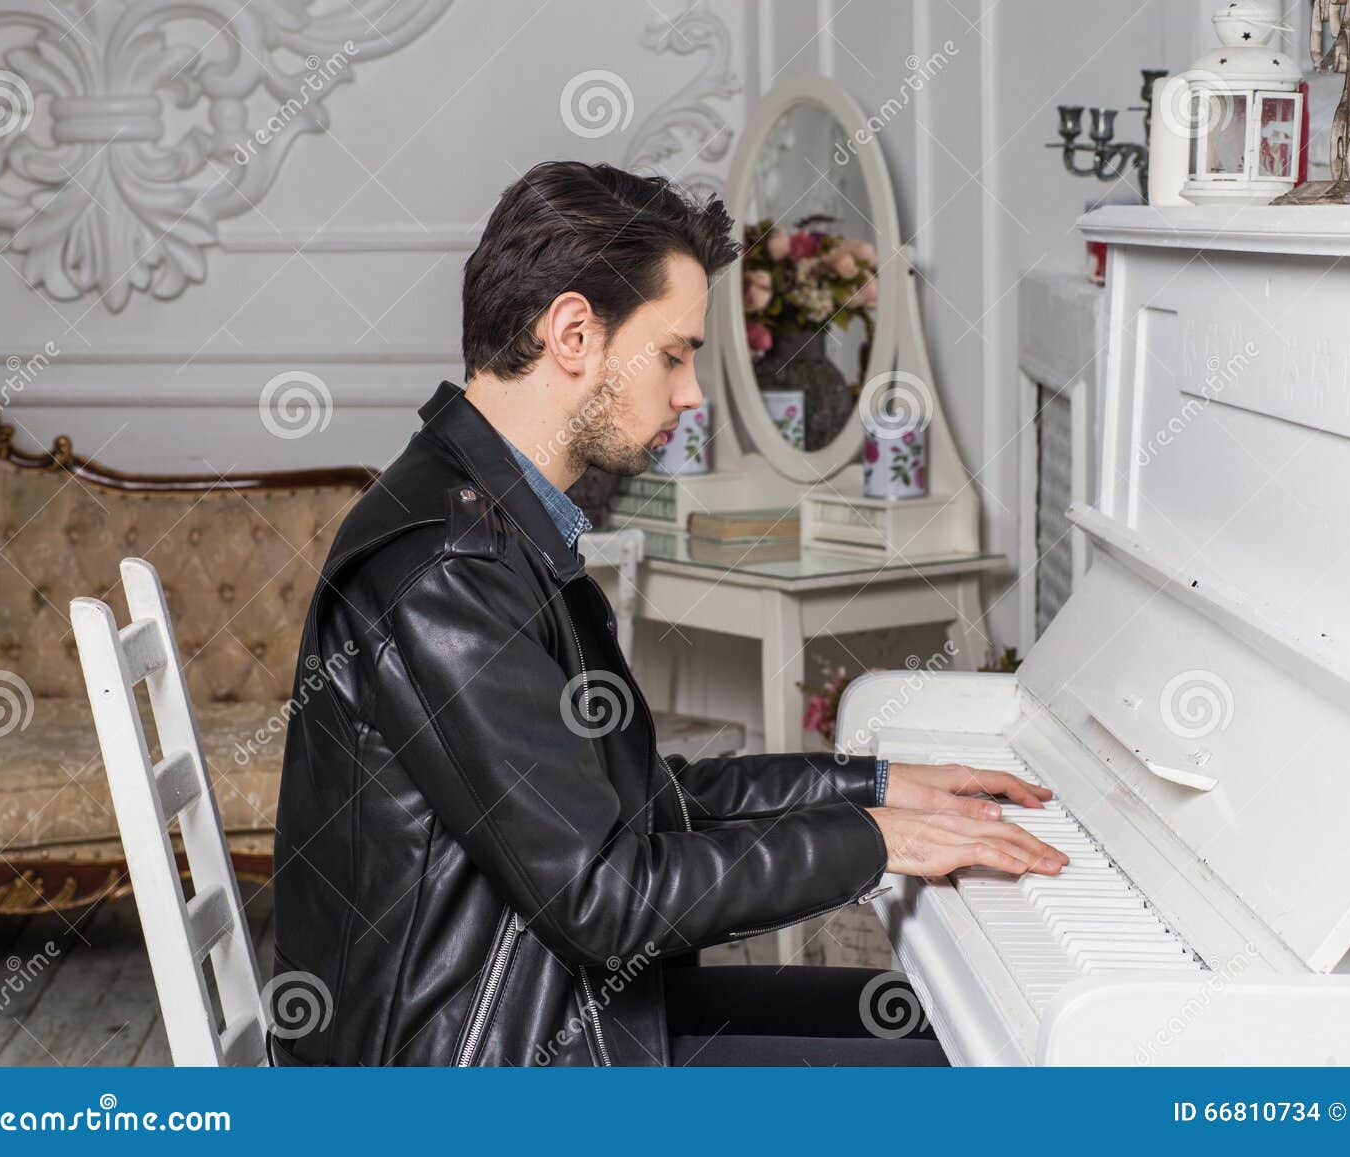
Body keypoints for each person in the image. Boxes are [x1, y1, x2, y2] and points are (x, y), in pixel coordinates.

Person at [270, 160, 1067, 1067]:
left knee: (940, 1030)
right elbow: (605, 899)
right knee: (970, 1081)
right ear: (575, 333)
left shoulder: (490, 523)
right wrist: (876, 841)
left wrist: (875, 789)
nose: (691, 392)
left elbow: (637, 805)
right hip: (472, 1063)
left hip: (533, 1004)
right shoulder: (450, 567)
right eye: (676, 353)